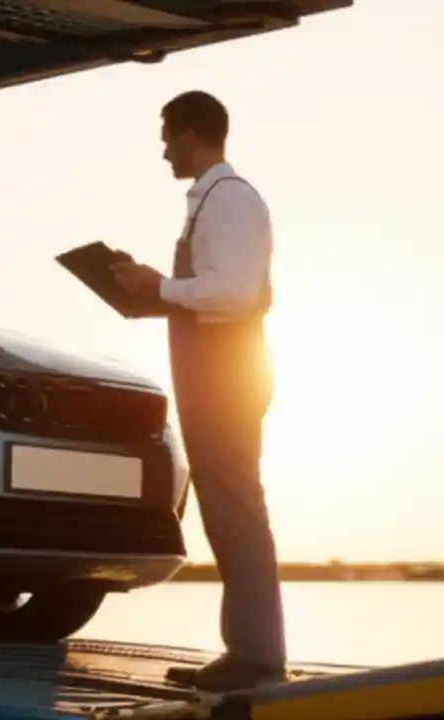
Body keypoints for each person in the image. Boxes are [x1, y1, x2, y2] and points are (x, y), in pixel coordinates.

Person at [109, 90, 285, 692]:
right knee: (225, 510)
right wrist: (146, 289)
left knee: (237, 507)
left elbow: (234, 292)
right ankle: (247, 652)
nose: (163, 152)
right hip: (212, 378)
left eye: (167, 139)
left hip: (226, 379)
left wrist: (160, 287)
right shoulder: (211, 201)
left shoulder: (229, 198)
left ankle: (257, 658)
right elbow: (210, 291)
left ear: (189, 134)